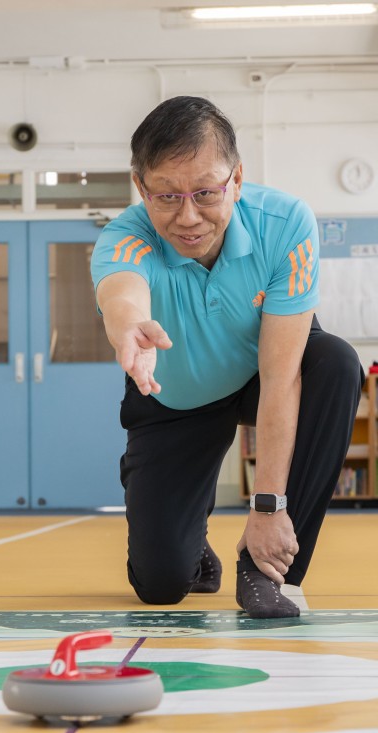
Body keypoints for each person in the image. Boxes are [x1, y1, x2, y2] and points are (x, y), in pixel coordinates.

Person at [91, 95, 365, 619]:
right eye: (165, 195)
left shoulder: (285, 225)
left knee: (333, 363)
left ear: (236, 178)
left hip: (262, 375)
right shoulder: (125, 236)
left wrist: (267, 507)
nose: (187, 216)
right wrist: (129, 325)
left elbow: (282, 378)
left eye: (206, 192)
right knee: (162, 584)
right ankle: (191, 537)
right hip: (177, 393)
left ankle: (267, 571)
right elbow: (122, 292)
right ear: (140, 186)